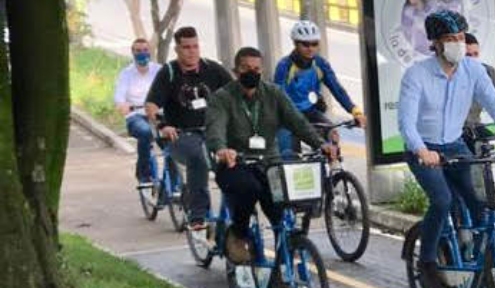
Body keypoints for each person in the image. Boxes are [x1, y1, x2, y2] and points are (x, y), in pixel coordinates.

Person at [398, 10, 495, 288]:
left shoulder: (474, 70)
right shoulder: (417, 75)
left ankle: (478, 260)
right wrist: (422, 150)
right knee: (443, 200)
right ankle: (427, 265)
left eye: (461, 37)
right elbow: (406, 123)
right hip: (425, 149)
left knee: (483, 202)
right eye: (450, 39)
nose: (458, 44)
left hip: (456, 144)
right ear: (435, 43)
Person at [206, 47, 336, 264]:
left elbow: (298, 122)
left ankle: (284, 272)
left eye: (256, 69)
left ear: (262, 70)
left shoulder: (274, 94)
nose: (251, 73)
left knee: (282, 212)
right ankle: (238, 234)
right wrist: (222, 149)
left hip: (270, 163)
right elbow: (215, 128)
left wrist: (320, 143)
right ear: (236, 70)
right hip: (235, 163)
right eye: (245, 68)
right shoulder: (222, 98)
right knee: (249, 189)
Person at [145, 26, 233, 240]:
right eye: (186, 47)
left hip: (213, 133)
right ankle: (198, 215)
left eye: (195, 46)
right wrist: (162, 125)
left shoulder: (213, 69)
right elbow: (151, 105)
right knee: (198, 156)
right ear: (177, 49)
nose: (192, 52)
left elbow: (238, 93)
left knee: (236, 162)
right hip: (180, 135)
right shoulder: (169, 72)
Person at [274, 20, 365, 157]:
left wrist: (355, 111)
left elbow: (337, 89)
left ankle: (333, 173)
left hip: (310, 112)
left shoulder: (320, 64)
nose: (310, 48)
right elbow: (279, 97)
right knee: (288, 155)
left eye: (314, 44)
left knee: (332, 136)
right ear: (295, 43)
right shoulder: (284, 66)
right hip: (288, 116)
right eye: (305, 44)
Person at [113, 38, 161, 186]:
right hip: (136, 116)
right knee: (145, 132)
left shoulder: (159, 70)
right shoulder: (126, 74)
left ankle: (175, 181)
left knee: (174, 138)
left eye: (145, 50)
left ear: (150, 52)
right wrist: (123, 105)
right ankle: (143, 175)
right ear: (133, 53)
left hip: (158, 114)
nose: (142, 54)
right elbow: (119, 98)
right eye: (138, 51)